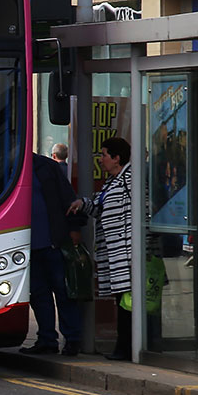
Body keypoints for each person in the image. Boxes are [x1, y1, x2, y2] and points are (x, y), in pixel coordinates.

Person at [69, 136, 134, 359]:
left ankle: (126, 348)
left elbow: (144, 209)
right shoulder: (113, 181)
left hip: (127, 253)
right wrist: (83, 204)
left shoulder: (130, 178)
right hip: (116, 253)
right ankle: (123, 347)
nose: (100, 159)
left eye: (104, 155)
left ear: (117, 158)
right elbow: (100, 207)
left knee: (126, 303)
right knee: (122, 301)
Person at [21, 153, 84, 355]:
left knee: (64, 292)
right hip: (26, 247)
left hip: (53, 243)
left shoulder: (46, 166)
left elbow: (67, 197)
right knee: (39, 295)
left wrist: (74, 228)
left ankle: (72, 339)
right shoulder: (8, 168)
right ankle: (47, 339)